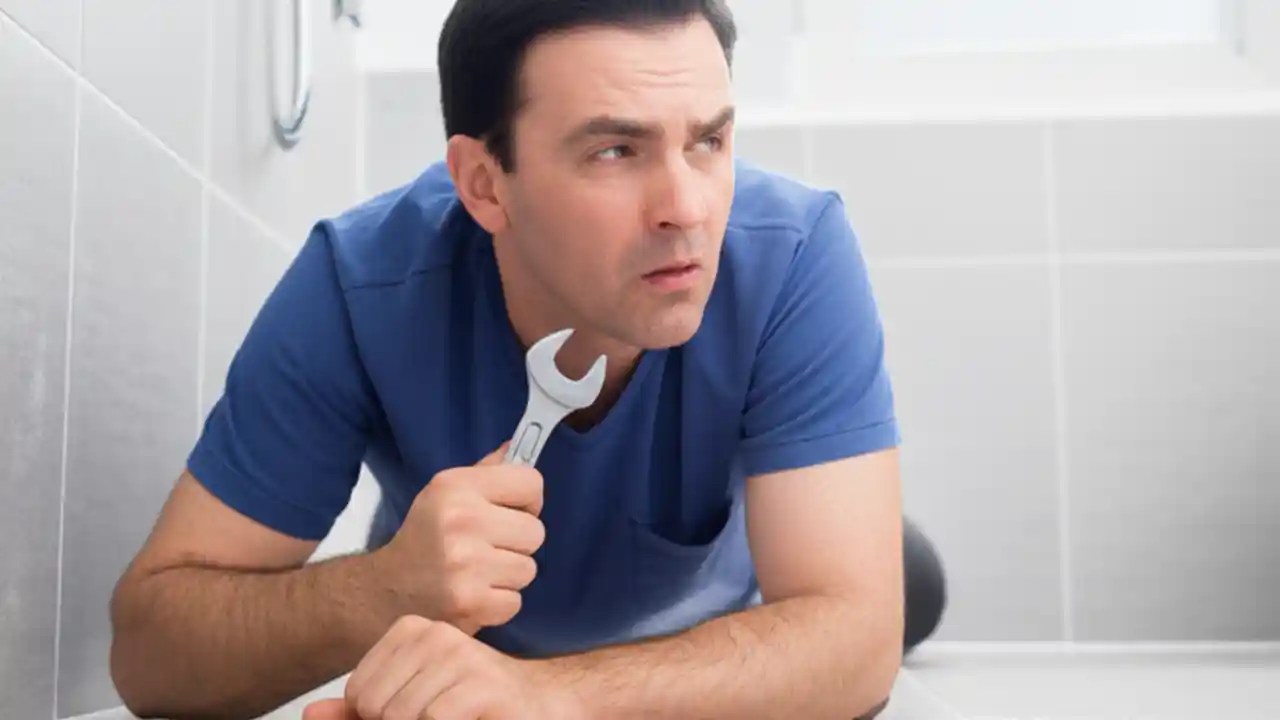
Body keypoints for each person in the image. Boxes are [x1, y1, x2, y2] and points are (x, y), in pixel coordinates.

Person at [108, 1, 946, 718]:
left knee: (909, 582)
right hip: (471, 622)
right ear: (483, 184)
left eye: (709, 142)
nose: (687, 209)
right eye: (614, 151)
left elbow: (857, 644)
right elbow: (149, 653)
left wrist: (547, 697)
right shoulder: (359, 284)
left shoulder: (793, 252)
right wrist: (385, 590)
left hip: (729, 604)